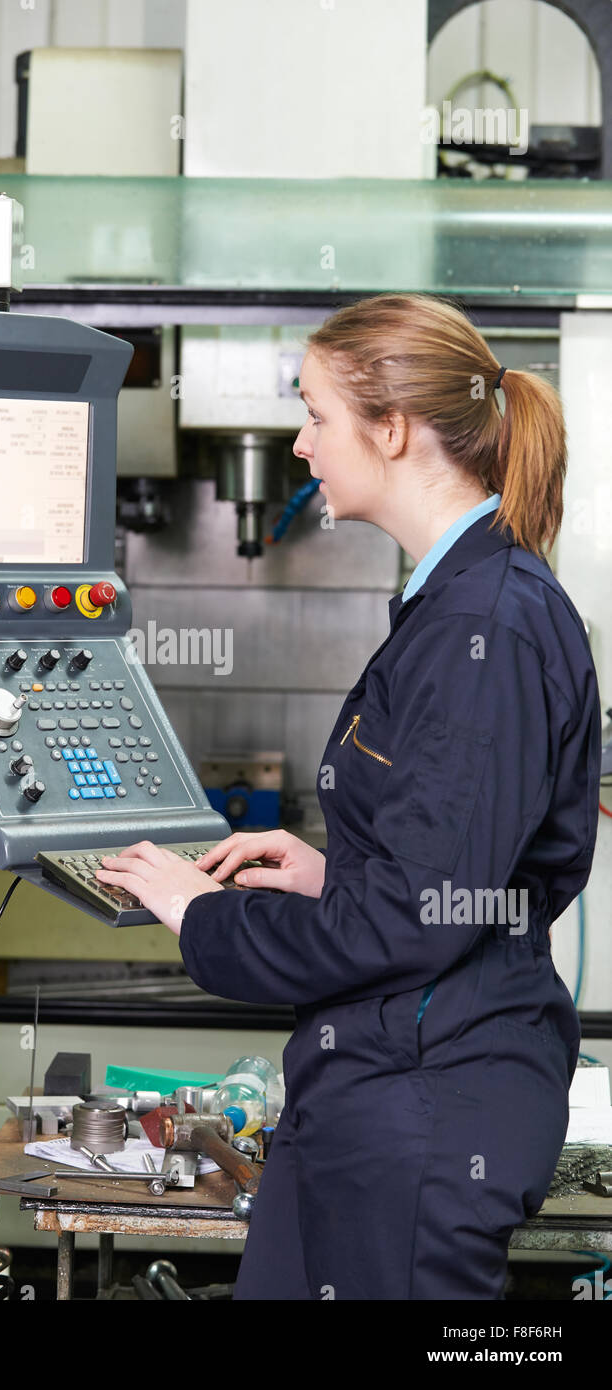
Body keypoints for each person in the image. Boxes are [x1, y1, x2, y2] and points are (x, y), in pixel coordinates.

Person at [95, 293, 601, 1300]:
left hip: (423, 1105)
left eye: (317, 414)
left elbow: (409, 926)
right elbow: (450, 875)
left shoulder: (485, 626)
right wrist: (340, 872)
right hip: (382, 1087)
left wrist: (205, 917)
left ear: (394, 427)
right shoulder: (459, 602)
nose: (298, 442)